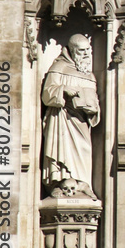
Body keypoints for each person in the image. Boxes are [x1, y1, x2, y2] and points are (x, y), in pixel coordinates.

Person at [42, 34, 100, 199]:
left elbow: (95, 102)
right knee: (63, 151)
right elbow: (47, 94)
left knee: (85, 150)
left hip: (81, 121)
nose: (86, 54)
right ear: (72, 51)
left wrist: (93, 110)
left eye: (88, 50)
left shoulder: (89, 75)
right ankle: (62, 184)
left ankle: (82, 184)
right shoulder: (59, 67)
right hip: (62, 119)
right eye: (82, 51)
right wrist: (64, 89)